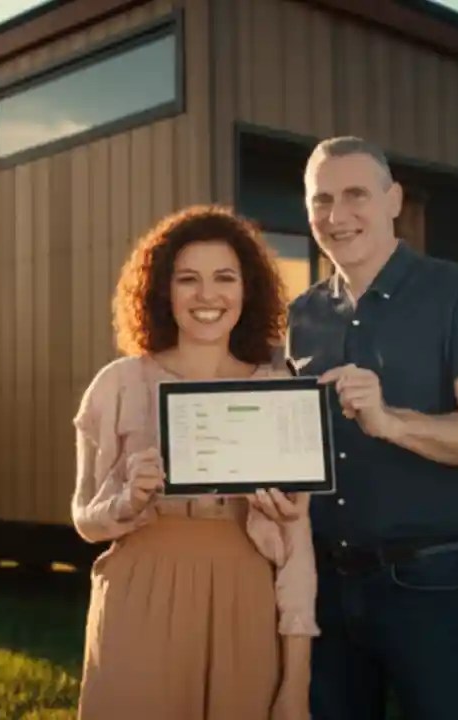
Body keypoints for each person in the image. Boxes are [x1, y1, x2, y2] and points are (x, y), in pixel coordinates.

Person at [287, 136, 458, 720]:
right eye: (321, 200)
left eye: (356, 195)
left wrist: (391, 422)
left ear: (393, 200)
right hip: (324, 585)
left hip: (430, 584)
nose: (337, 215)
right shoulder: (300, 316)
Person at [71, 205, 320, 720]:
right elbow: (84, 519)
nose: (207, 295)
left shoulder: (277, 390)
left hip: (244, 601)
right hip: (139, 597)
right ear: (164, 291)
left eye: (224, 278)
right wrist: (125, 502)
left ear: (247, 290)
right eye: (188, 279)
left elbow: (297, 552)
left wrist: (296, 683)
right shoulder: (118, 384)